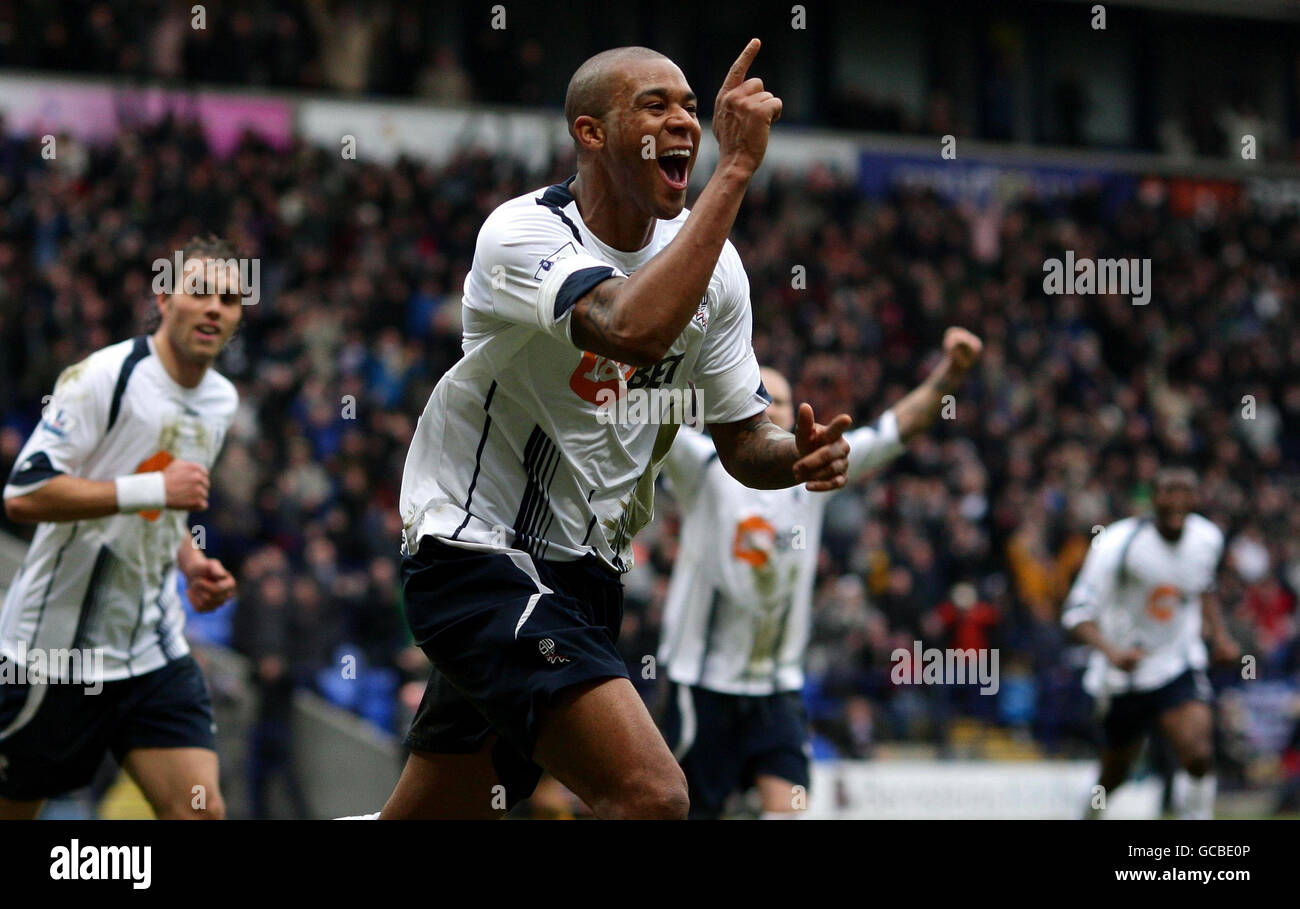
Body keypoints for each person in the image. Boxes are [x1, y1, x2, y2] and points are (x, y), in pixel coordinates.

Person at [381, 40, 854, 820]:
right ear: (591, 133)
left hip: (587, 574)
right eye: (656, 105)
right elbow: (628, 328)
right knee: (652, 794)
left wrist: (794, 457)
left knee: (445, 813)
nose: (684, 124)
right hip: (478, 552)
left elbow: (741, 441)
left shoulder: (716, 269)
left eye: (692, 110)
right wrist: (733, 174)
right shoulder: (522, 233)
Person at [656, 327, 983, 817]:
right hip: (701, 684)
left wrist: (952, 371)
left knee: (788, 810)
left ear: (793, 416)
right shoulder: (701, 464)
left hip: (777, 690)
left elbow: (897, 428)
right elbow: (645, 405)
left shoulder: (816, 466)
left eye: (782, 400)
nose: (770, 406)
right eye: (758, 396)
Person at [0, 236, 243, 819]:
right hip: (55, 654)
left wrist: (191, 564)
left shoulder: (221, 401)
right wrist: (154, 490)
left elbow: (166, 508)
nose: (215, 308)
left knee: (201, 812)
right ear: (164, 298)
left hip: (151, 648)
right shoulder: (102, 379)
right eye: (201, 292)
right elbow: (24, 492)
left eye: (231, 299)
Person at [1062, 465, 1240, 819]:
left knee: (1198, 753)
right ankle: (1089, 812)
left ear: (1195, 498)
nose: (1176, 501)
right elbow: (1076, 613)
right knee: (1117, 772)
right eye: (1167, 492)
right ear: (1152, 499)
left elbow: (1202, 586)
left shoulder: (1207, 538)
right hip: (1124, 673)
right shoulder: (1117, 544)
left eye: (1184, 491)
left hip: (1176, 662)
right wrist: (1112, 653)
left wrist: (1219, 636)